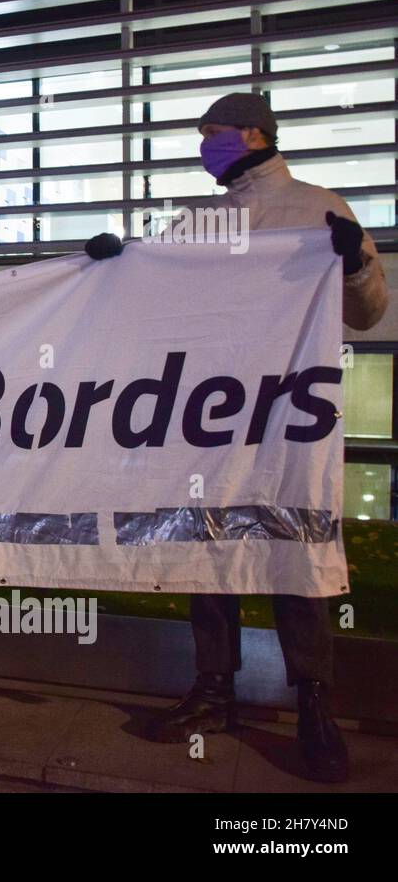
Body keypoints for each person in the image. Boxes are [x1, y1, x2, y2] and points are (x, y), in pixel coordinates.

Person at [83, 92, 387, 783]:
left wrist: (356, 263)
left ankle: (314, 703)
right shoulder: (198, 222)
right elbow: (151, 297)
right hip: (211, 418)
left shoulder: (319, 209)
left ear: (254, 132)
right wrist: (110, 267)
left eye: (212, 133)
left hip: (285, 417)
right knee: (207, 544)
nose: (204, 145)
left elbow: (368, 315)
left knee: (294, 545)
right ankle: (213, 690)